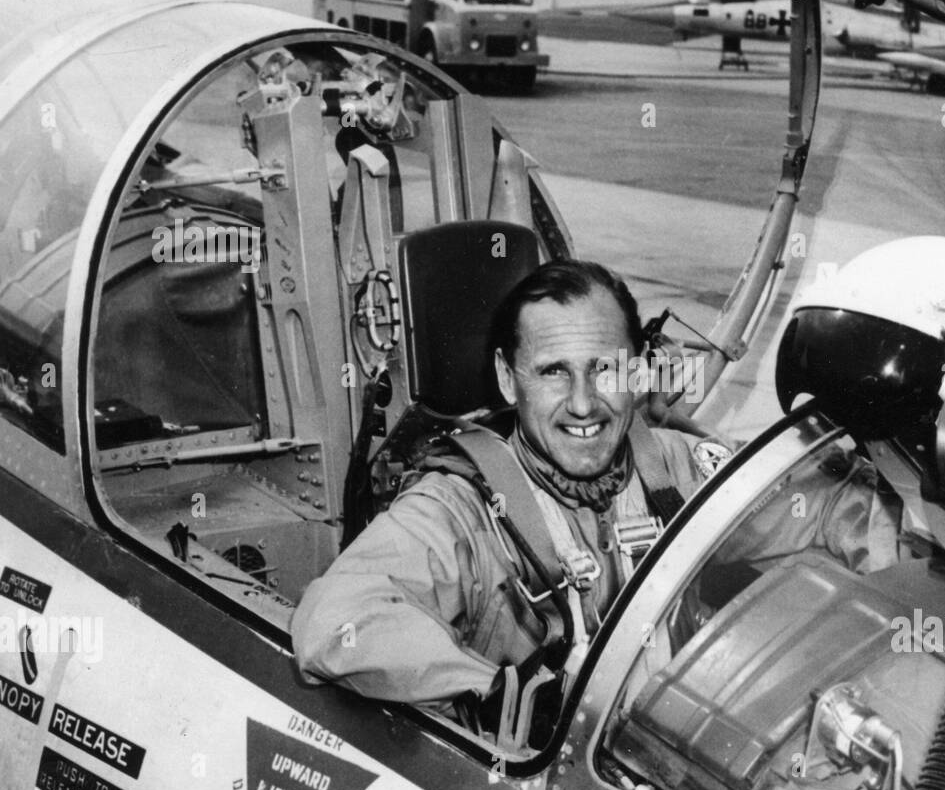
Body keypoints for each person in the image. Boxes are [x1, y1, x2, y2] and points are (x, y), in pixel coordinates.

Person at [291, 259, 898, 717]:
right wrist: (499, 696)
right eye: (554, 371)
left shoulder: (673, 467)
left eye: (606, 367)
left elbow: (828, 510)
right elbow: (337, 617)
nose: (584, 404)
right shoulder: (459, 511)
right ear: (508, 379)